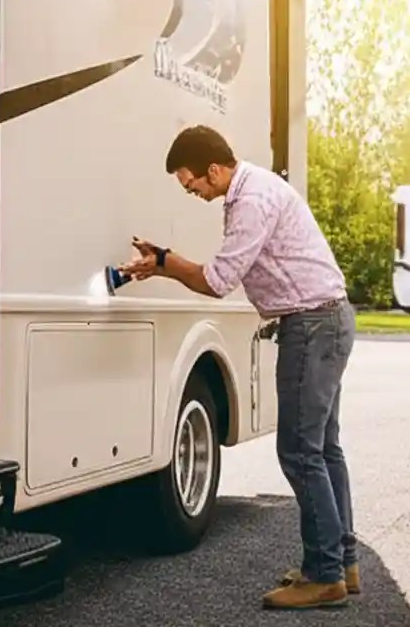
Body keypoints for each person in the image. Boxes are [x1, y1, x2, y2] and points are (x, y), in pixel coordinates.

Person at [119, 124, 358, 610]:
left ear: (213, 168)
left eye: (193, 183)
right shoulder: (256, 188)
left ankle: (325, 574)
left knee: (300, 451)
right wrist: (166, 263)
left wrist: (165, 262)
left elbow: (219, 280)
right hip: (326, 321)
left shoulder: (251, 201)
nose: (192, 192)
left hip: (311, 327)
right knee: (323, 449)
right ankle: (341, 562)